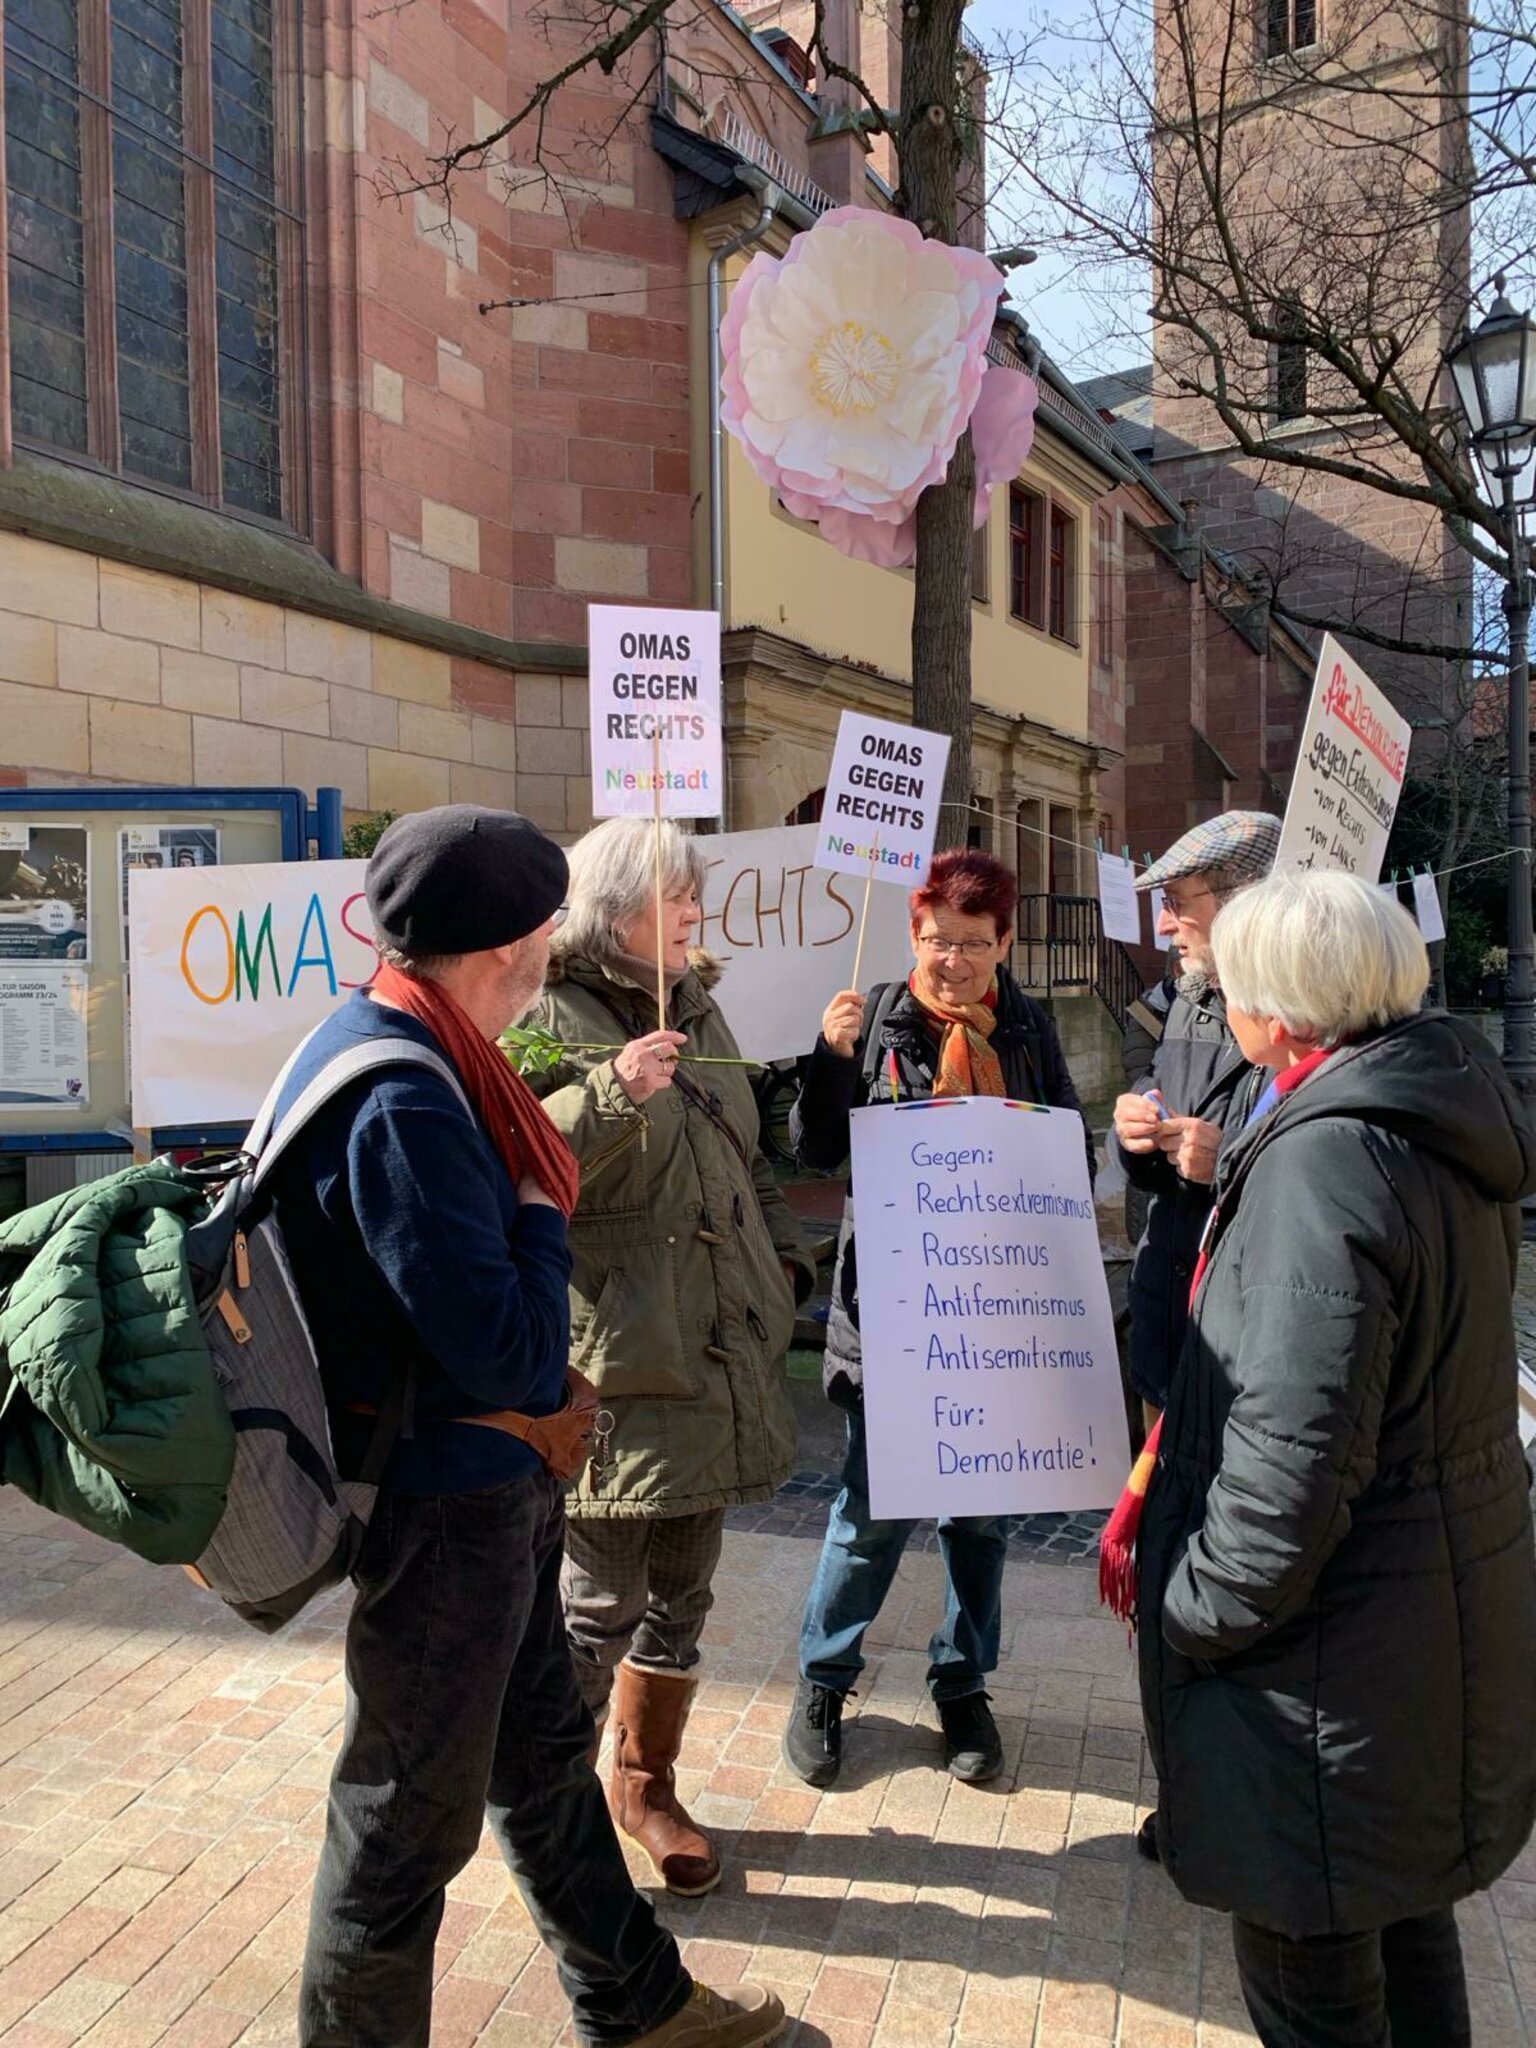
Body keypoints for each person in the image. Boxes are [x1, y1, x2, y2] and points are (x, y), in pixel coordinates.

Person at [268, 806, 786, 2048]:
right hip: (444, 1507)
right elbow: (504, 1345)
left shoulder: (414, 1038)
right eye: (546, 928)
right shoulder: (407, 1093)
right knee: (401, 1827)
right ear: (512, 944)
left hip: (487, 1493)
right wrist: (541, 1202)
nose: (555, 948)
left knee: (545, 1761)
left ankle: (637, 2001)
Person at [1137, 871, 1536, 2048]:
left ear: (1277, 1011)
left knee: (1317, 1974)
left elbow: (1293, 1458)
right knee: (1403, 1919)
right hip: (1410, 1638)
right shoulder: (1423, 1111)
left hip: (1322, 1666)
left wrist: (1195, 1608)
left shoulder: (1328, 1156)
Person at [528, 817, 814, 1899]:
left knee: (683, 1597)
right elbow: (514, 1161)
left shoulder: (696, 1001)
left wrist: (785, 1261)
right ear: (614, 912)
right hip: (619, 1362)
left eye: (696, 892)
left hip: (719, 1351)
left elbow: (745, 1159)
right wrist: (612, 1091)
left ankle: (645, 1788)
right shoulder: (544, 1010)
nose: (696, 910)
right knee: (595, 1607)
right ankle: (547, 1805)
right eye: (676, 895)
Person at [781, 848, 1094, 1791]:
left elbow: (1069, 1158)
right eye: (934, 940)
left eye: (971, 943)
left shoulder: (1029, 1029)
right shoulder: (876, 1017)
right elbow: (815, 1151)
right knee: (869, 1513)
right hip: (892, 1322)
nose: (951, 960)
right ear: (912, 936)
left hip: (996, 1324)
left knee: (979, 1522)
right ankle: (822, 1680)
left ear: (1005, 942)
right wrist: (831, 1062)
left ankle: (961, 1682)